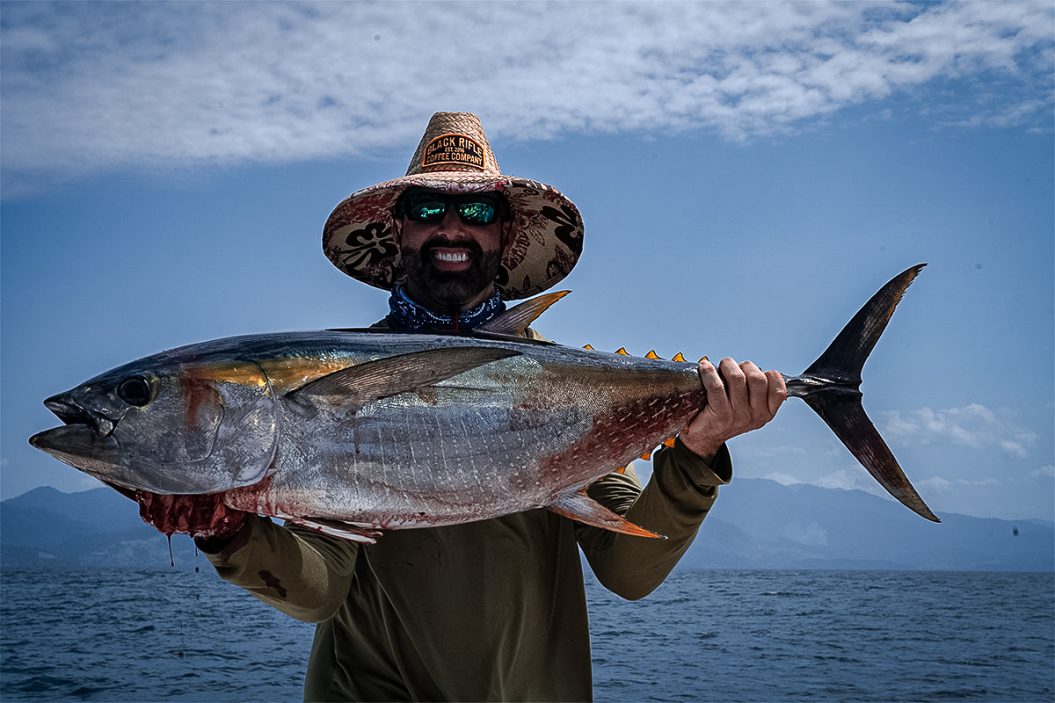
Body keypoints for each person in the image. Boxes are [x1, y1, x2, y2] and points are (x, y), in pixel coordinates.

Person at [157, 112, 787, 701]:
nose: (450, 229)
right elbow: (319, 591)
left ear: (504, 233)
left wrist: (698, 451)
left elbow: (630, 570)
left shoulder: (567, 392)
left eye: (477, 210)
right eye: (428, 208)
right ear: (398, 229)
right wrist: (229, 532)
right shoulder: (334, 378)